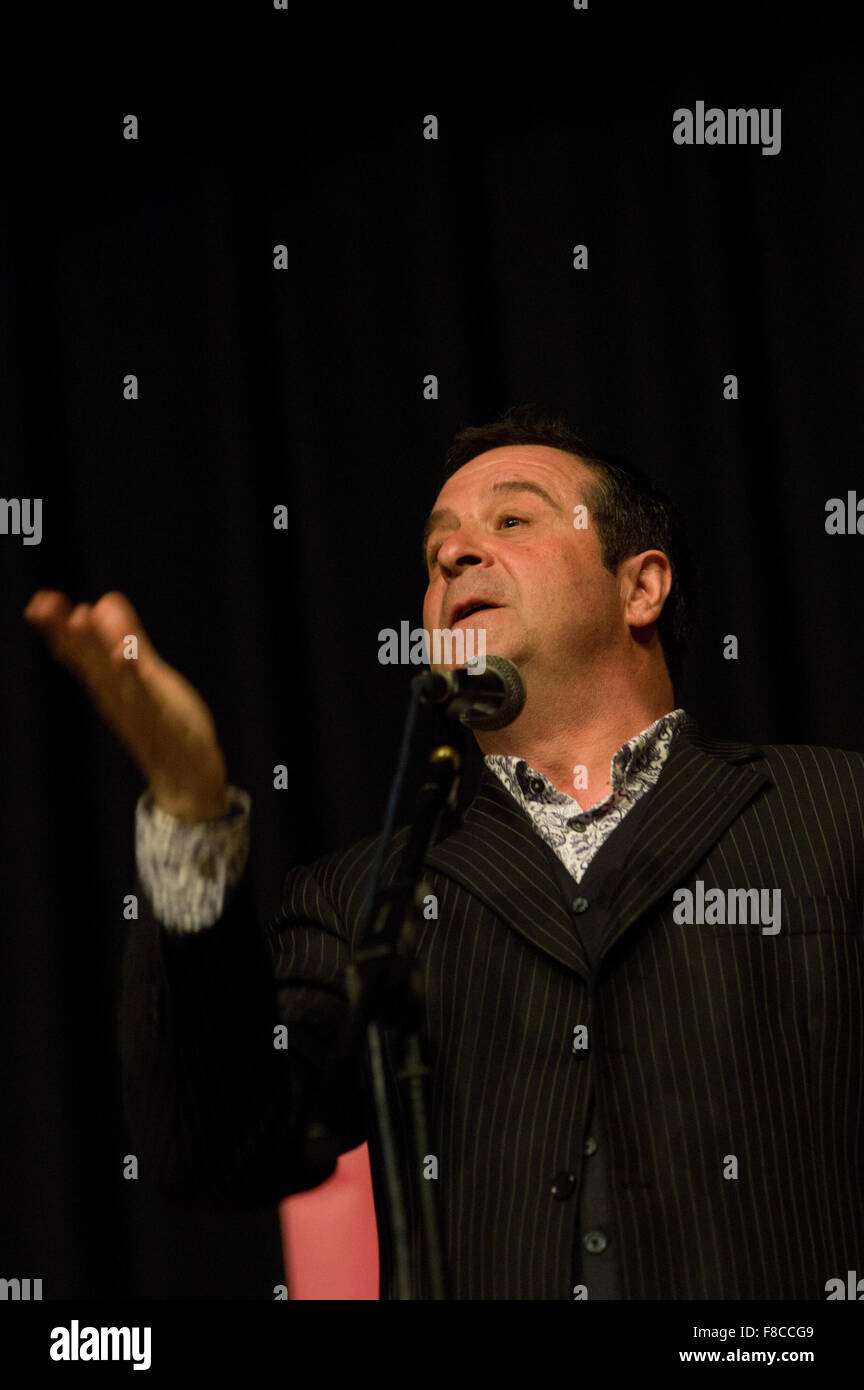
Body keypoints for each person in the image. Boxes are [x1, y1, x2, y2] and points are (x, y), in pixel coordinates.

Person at [23, 408, 864, 1301]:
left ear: (641, 587)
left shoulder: (835, 810)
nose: (458, 556)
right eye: (437, 553)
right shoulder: (366, 891)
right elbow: (221, 1145)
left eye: (512, 521)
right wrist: (190, 814)